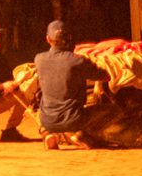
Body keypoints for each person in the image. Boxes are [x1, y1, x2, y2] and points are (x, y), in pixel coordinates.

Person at [34, 20, 109, 150]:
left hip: (48, 120)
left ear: (48, 38)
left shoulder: (39, 59)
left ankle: (47, 133)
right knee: (113, 110)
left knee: (44, 113)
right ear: (68, 38)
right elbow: (104, 75)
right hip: (74, 119)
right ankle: (82, 134)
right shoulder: (77, 61)